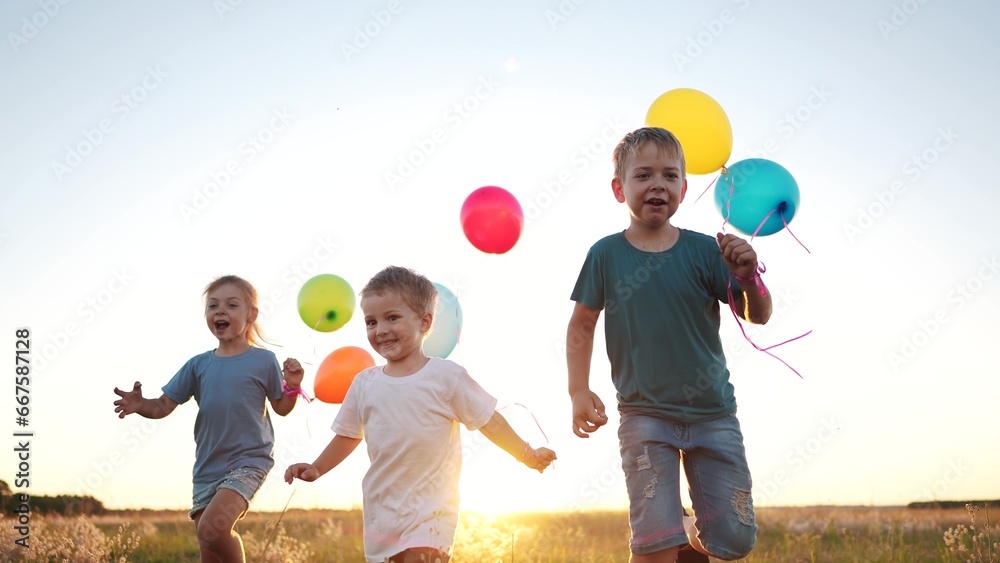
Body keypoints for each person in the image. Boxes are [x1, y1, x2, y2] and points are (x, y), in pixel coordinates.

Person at [566, 127, 772, 563]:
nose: (657, 184)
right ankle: (668, 538)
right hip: (645, 415)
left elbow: (759, 315)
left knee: (734, 539)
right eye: (643, 175)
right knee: (653, 540)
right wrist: (578, 391)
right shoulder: (605, 254)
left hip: (713, 414)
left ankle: (693, 539)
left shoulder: (705, 251)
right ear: (619, 189)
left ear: (683, 186)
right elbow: (582, 323)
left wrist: (748, 276)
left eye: (669, 174)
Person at [285, 265, 556, 563]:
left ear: (425, 322)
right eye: (371, 322)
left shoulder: (445, 377)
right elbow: (348, 435)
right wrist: (317, 467)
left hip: (432, 513)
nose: (381, 330)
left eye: (392, 317)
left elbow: (490, 422)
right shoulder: (365, 383)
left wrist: (527, 454)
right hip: (382, 515)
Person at [113, 275, 305, 563]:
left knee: (213, 531)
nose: (220, 311)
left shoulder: (263, 361)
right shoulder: (198, 365)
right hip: (207, 466)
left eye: (231, 305)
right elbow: (164, 405)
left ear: (250, 314)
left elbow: (282, 407)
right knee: (209, 549)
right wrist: (140, 404)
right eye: (213, 306)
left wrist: (291, 385)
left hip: (249, 461)